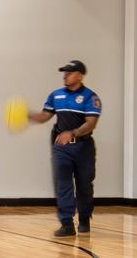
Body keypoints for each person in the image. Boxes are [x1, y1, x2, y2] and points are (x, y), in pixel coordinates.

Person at [34, 61, 101, 239]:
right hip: (61, 148)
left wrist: (72, 133)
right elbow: (43, 117)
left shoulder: (90, 98)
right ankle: (67, 223)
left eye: (70, 72)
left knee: (84, 185)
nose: (65, 75)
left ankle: (85, 217)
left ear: (80, 76)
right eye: (64, 72)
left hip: (83, 147)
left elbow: (90, 124)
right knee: (63, 184)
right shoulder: (56, 95)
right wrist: (25, 114)